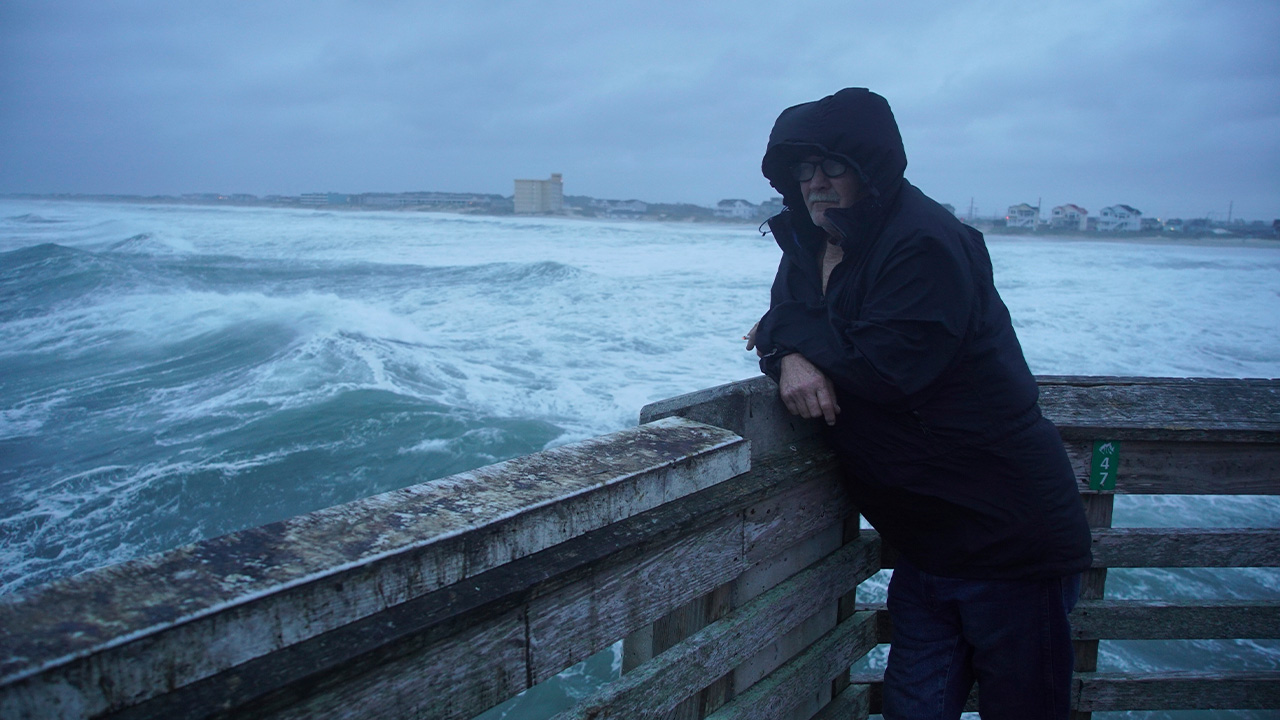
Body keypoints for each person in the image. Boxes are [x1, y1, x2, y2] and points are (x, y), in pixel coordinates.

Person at [745, 88, 1092, 719]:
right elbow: (790, 326)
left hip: (1009, 541)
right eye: (803, 171)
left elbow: (885, 370)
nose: (815, 184)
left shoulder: (923, 242)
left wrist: (776, 335)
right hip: (926, 545)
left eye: (832, 167)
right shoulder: (810, 246)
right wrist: (785, 354)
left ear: (869, 167)